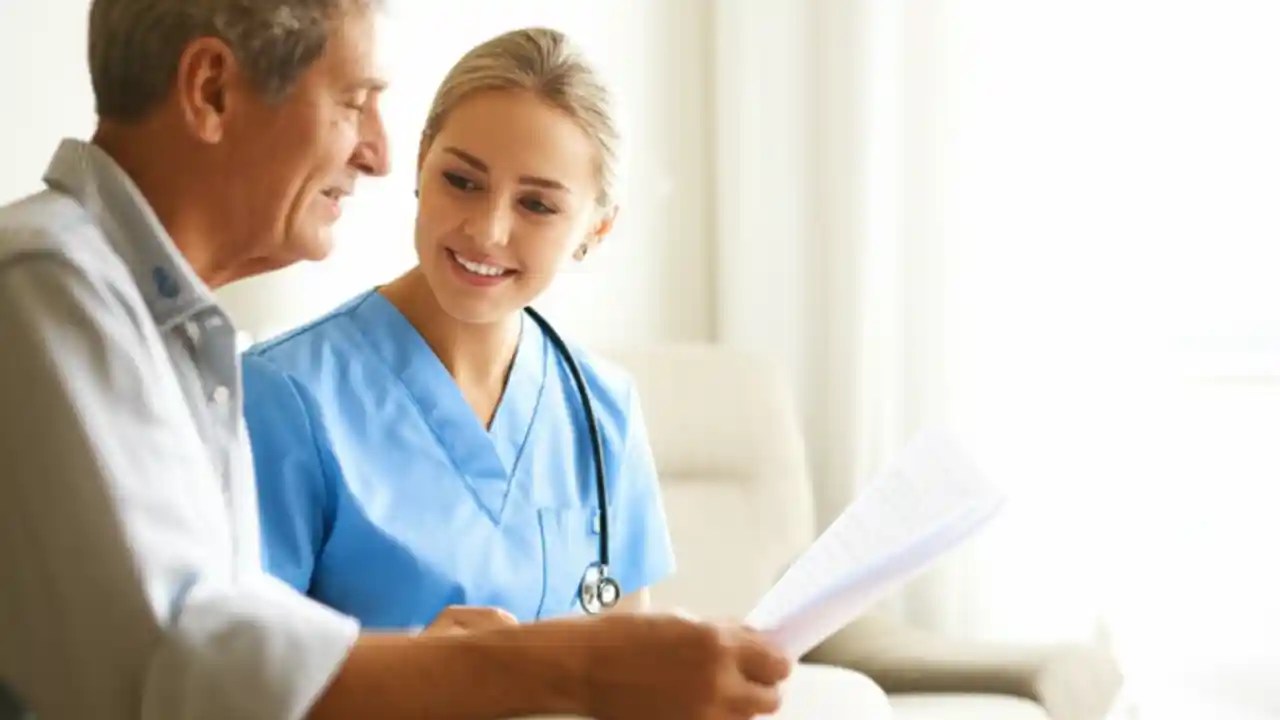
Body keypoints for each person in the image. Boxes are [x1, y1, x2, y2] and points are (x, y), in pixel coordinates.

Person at [0, 1, 791, 719]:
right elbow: (179, 673)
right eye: (352, 102)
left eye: (539, 202)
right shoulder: (43, 296)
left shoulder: (166, 334)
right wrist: (527, 669)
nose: (376, 154)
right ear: (210, 90)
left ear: (596, 227)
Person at [241, 27, 669, 633]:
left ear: (595, 232)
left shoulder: (604, 413)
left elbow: (630, 668)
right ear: (421, 163)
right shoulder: (280, 395)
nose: (487, 231)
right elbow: (238, 678)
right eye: (462, 182)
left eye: (537, 205)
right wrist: (428, 676)